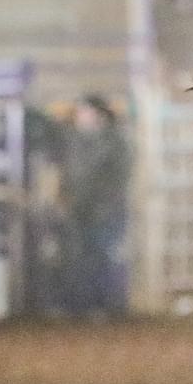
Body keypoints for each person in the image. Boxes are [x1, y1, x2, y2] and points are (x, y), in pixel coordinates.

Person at [62, 94, 132, 317]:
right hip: (81, 210)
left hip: (105, 211)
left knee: (104, 256)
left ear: (98, 115)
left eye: (84, 111)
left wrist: (102, 205)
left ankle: (107, 306)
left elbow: (116, 179)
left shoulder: (114, 143)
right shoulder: (76, 142)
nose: (80, 117)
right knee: (83, 257)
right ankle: (85, 306)